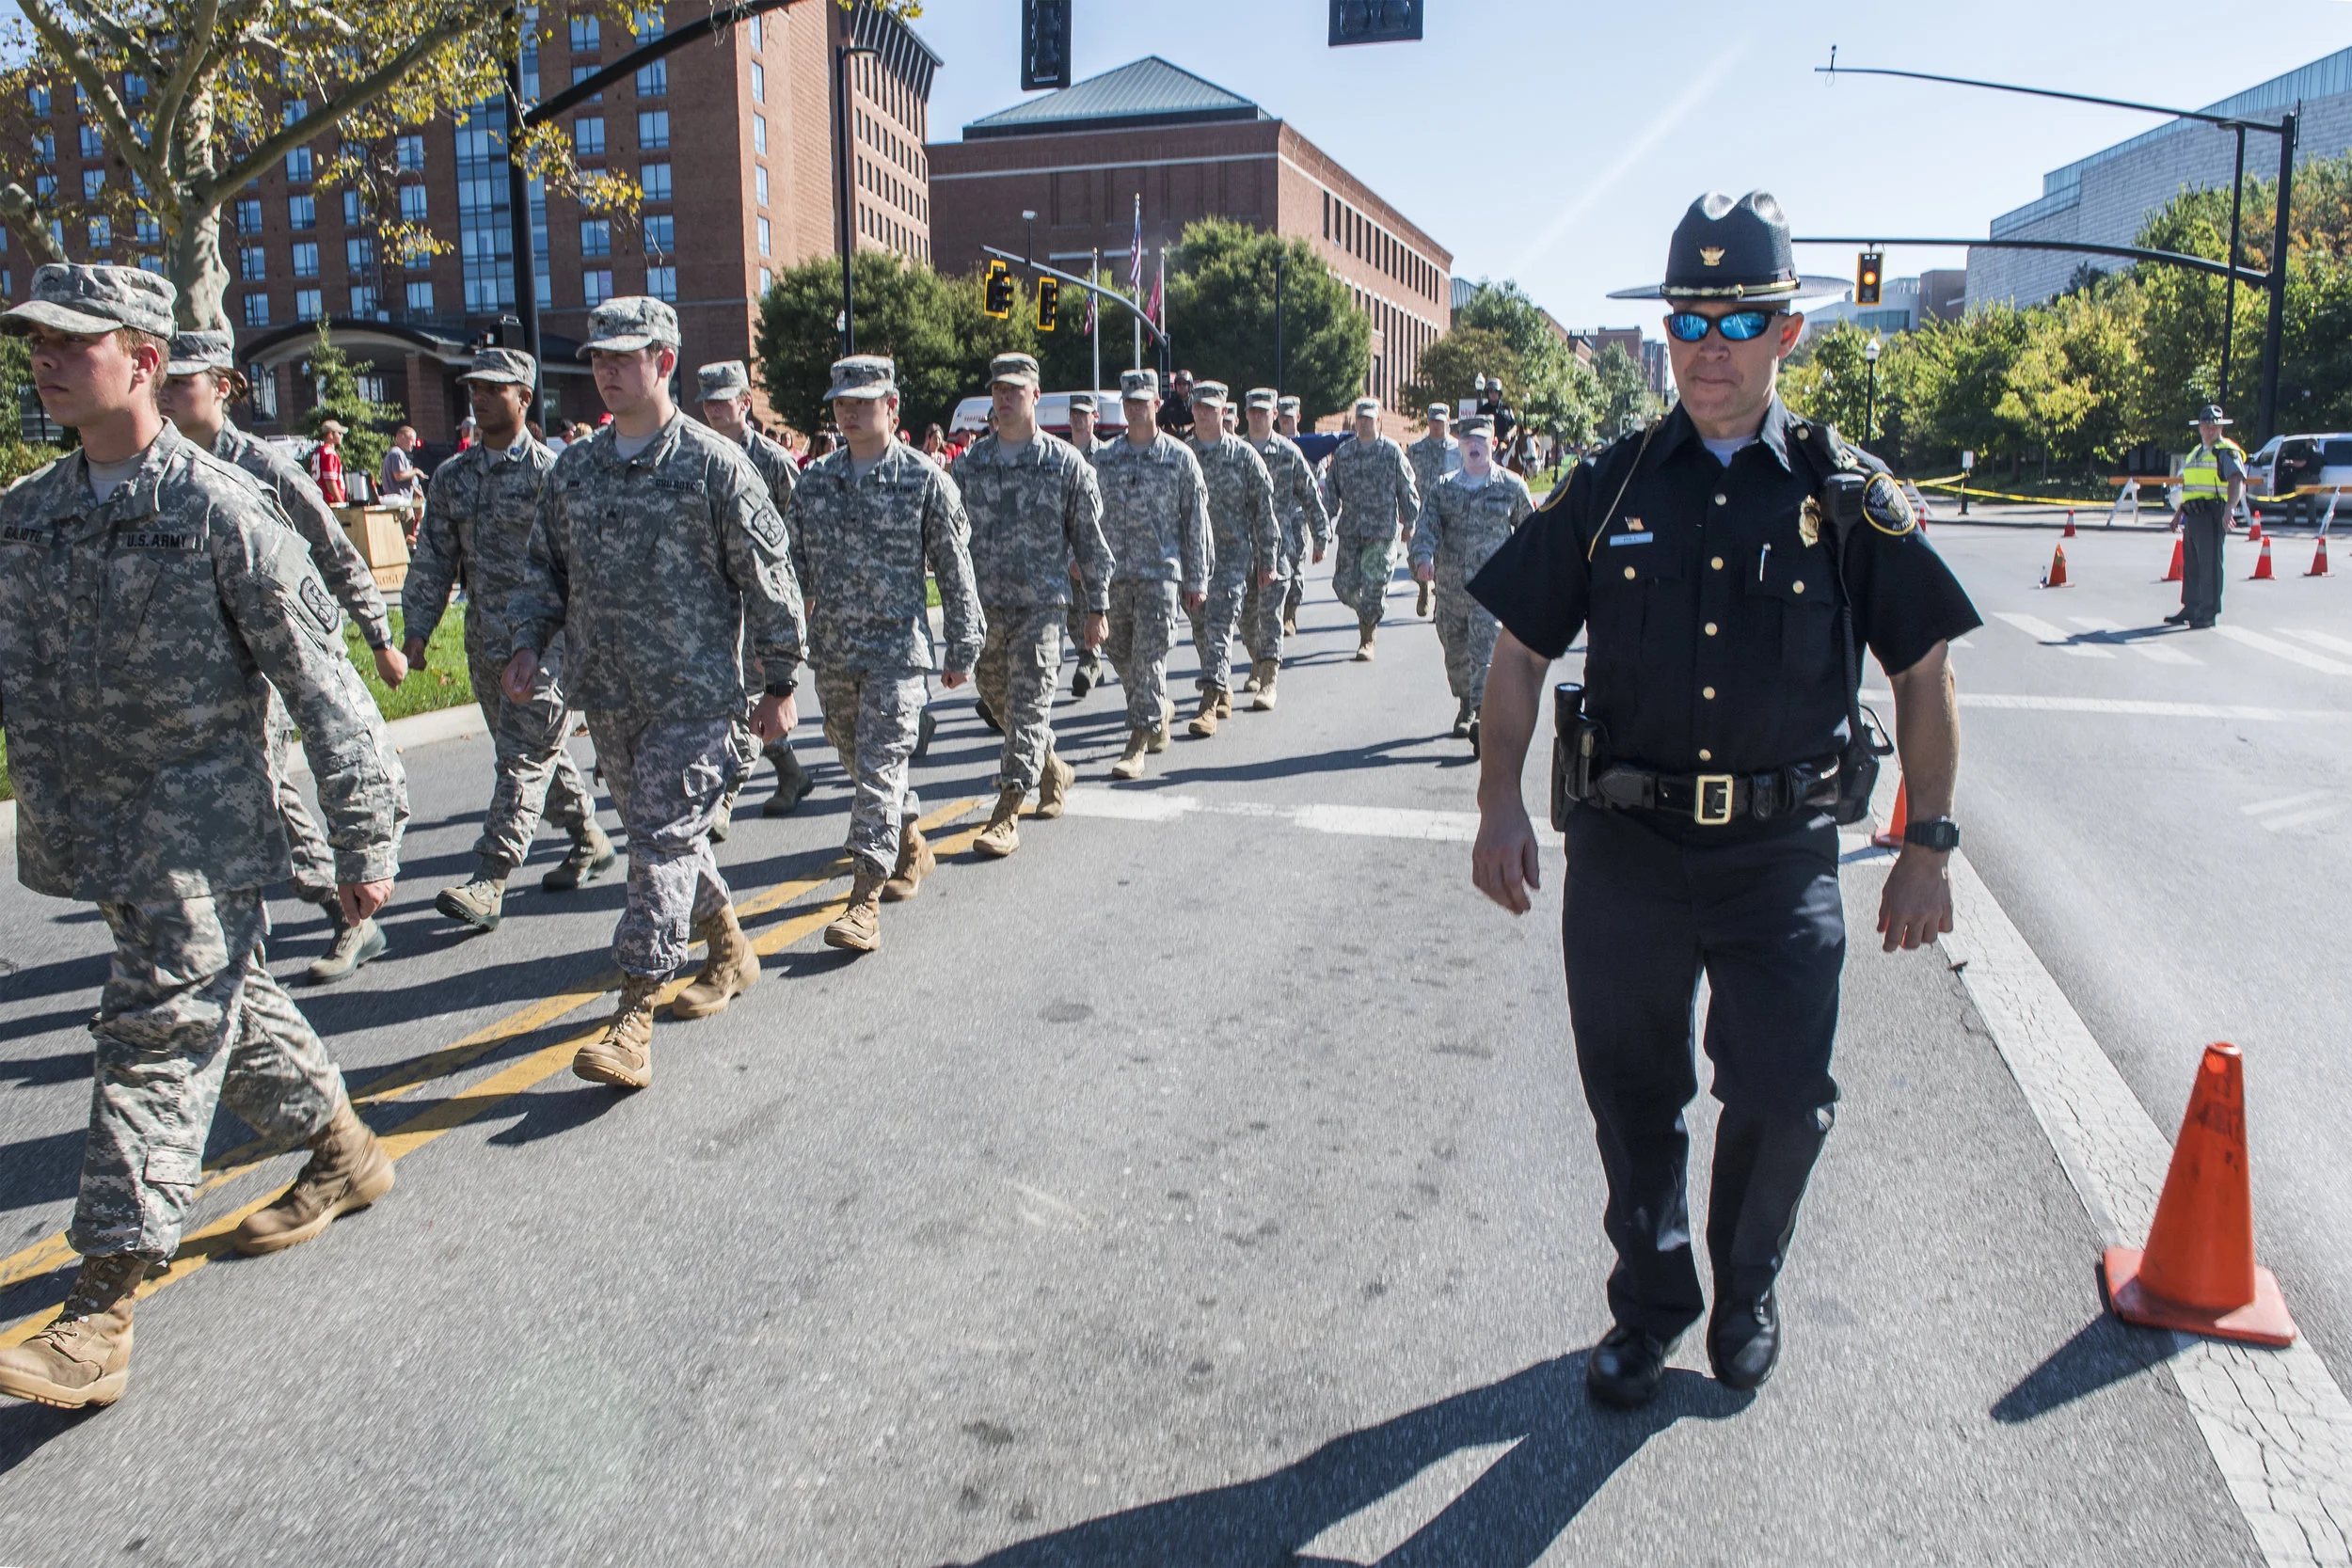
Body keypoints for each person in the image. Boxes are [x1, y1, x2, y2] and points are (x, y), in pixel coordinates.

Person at [1467, 190, 1980, 1409]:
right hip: (1630, 850)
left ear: (1785, 332)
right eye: (1689, 314)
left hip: (1783, 854)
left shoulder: (1846, 492)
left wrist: (1930, 842)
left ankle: (1746, 1287)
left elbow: (1924, 671)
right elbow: (1520, 650)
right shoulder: (1607, 482)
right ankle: (1648, 1305)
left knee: (1785, 1092)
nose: (1710, 341)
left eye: (1738, 316)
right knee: (1631, 1088)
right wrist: (1497, 798)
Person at [0, 265, 409, 1410]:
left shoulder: (220, 507)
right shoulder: (29, 514)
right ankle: (342, 1146)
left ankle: (100, 1309)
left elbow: (324, 683)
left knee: (157, 1037)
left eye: (72, 341)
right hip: (98, 831)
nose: (44, 358)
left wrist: (364, 835)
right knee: (234, 1004)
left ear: (142, 357)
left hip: (205, 829)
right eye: (34, 339)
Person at [502, 296, 806, 1089]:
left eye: (622, 356)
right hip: (610, 696)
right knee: (660, 841)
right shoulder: (576, 468)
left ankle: (633, 1011)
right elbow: (546, 569)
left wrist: (779, 680)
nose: (604, 369)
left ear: (664, 362)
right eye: (598, 358)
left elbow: (770, 581)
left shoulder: (714, 465)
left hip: (698, 697)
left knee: (662, 842)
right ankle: (731, 945)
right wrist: (529, 643)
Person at [155, 330, 407, 983]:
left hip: (264, 660)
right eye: (164, 381)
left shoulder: (264, 468)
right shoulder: (154, 472)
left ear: (226, 386)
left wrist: (379, 640)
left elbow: (336, 551)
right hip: (183, 678)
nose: (170, 393)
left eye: (184, 381)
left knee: (262, 791)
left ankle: (340, 915)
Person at [402, 348, 616, 933]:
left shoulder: (554, 475)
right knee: (529, 751)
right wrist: (417, 630)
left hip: (551, 640)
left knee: (523, 755)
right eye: (473, 389)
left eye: (493, 389)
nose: (478, 398)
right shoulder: (454, 478)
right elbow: (433, 561)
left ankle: (490, 879)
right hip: (486, 640)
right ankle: (588, 837)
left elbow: (585, 565)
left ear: (524, 397)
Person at [779, 356, 982, 951]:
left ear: (892, 408)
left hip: (899, 652)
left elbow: (954, 568)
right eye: (842, 402)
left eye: (863, 402)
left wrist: (963, 643)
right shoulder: (815, 481)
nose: (850, 411)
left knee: (879, 767)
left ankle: (864, 896)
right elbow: (791, 569)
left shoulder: (924, 479)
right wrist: (782, 648)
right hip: (835, 653)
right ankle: (910, 837)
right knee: (857, 758)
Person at [958, 353, 1111, 857]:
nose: (1004, 398)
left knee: (1028, 708)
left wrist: (1096, 607)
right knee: (1001, 701)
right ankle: (1052, 768)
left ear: (1036, 397)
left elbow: (1089, 541)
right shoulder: (970, 465)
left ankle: (1006, 813)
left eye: (1015, 390)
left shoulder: (1066, 465)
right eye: (998, 390)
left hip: (1042, 609)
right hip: (986, 611)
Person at [697, 359, 818, 824]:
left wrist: (800, 600)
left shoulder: (773, 461)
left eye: (721, 399)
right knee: (729, 694)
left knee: (750, 695)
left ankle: (725, 794)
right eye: (706, 401)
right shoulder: (702, 457)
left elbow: (800, 530)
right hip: (718, 598)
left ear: (745, 403)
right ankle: (789, 771)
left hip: (763, 598)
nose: (712, 408)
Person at [1095, 369, 1211, 780]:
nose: (1135, 408)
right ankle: (1157, 706)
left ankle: (1137, 741)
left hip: (1161, 575)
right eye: (1129, 403)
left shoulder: (1179, 458)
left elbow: (1196, 523)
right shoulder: (1104, 458)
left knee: (1148, 656)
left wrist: (1197, 580)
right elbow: (1085, 516)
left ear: (1157, 405)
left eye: (1143, 402)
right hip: (1115, 575)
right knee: (1119, 654)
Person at [1410, 415, 1532, 752]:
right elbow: (1426, 527)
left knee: (1485, 654)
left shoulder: (1511, 486)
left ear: (1493, 444)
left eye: (1481, 440)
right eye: (1468, 441)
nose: (1474, 446)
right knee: (1455, 654)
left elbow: (1531, 535)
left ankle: (1482, 717)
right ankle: (1465, 702)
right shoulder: (1443, 487)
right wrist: (1422, 557)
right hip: (1449, 591)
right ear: (1459, 445)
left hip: (1491, 592)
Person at [1181, 381, 1279, 732]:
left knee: (1219, 626)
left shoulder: (1244, 457)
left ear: (1225, 412)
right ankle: (1222, 688)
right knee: (1201, 631)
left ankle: (1207, 704)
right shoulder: (1182, 455)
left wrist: (1268, 560)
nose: (1204, 413)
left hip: (1234, 559)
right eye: (1198, 407)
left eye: (1211, 408)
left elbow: (1264, 513)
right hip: (1193, 561)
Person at [1242, 388, 1327, 692]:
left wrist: (1320, 535)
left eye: (1264, 411)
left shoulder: (1288, 453)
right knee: (1247, 618)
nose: (1258, 416)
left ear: (1274, 415)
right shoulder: (1237, 452)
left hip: (1277, 550)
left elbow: (1309, 495)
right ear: (1245, 413)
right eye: (1253, 411)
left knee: (1270, 616)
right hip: (1240, 551)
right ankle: (1256, 662)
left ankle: (1269, 679)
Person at [1322, 396, 1420, 661]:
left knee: (1374, 587)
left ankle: (1367, 637)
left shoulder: (1391, 452)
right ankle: (1368, 610)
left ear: (1379, 421)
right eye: (1360, 418)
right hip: (1351, 532)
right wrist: (1322, 528)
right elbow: (1330, 495)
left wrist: (1409, 523)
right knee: (1343, 586)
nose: (1363, 423)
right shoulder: (1344, 454)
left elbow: (1407, 490)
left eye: (1368, 419)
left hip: (1381, 533)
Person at [2168, 404, 2244, 630]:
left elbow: (2236, 478)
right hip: (2193, 514)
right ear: (2199, 427)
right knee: (2192, 565)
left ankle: (2208, 612)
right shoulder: (2196, 452)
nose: (2209, 430)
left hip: (2212, 512)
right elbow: (2191, 486)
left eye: (2213, 426)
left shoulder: (2225, 450)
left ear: (2220, 427)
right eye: (2205, 426)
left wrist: (2230, 507)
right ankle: (2192, 606)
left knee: (2209, 564)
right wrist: (2179, 512)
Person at [1063, 391, 1112, 698]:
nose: (1079, 418)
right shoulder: (1062, 457)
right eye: (1075, 413)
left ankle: (1090, 658)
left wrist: (1090, 554)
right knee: (1072, 611)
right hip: (1066, 547)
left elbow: (1108, 509)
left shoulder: (1106, 457)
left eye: (1086, 413)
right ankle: (1092, 658)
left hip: (1095, 544)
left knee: (1091, 605)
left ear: (1095, 418)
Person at [1406, 403, 1463, 617]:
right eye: (1433, 420)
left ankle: (1439, 599)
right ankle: (1423, 587)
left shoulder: (1458, 450)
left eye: (1440, 421)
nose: (1436, 425)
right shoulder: (1415, 450)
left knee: (1444, 561)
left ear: (1447, 422)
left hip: (1448, 515)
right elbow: (1405, 483)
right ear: (1428, 421)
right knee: (1415, 560)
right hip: (1421, 514)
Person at [377, 424, 422, 508]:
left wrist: (416, 490)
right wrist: (416, 471)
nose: (414, 444)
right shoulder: (397, 453)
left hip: (402, 502)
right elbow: (399, 476)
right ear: (401, 437)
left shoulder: (396, 453)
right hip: (400, 503)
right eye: (412, 441)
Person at [310, 419, 349, 503]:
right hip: (331, 502)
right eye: (339, 433)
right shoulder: (329, 453)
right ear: (330, 435)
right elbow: (330, 482)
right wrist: (340, 502)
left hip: (320, 501)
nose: (341, 436)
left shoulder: (317, 452)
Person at [1157, 368, 1197, 436]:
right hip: (1172, 440)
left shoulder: (1196, 403)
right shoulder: (1169, 403)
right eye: (1179, 384)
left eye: (1184, 384)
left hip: (1193, 440)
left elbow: (1203, 422)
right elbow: (1157, 422)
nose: (1181, 386)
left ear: (1190, 385)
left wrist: (1188, 427)